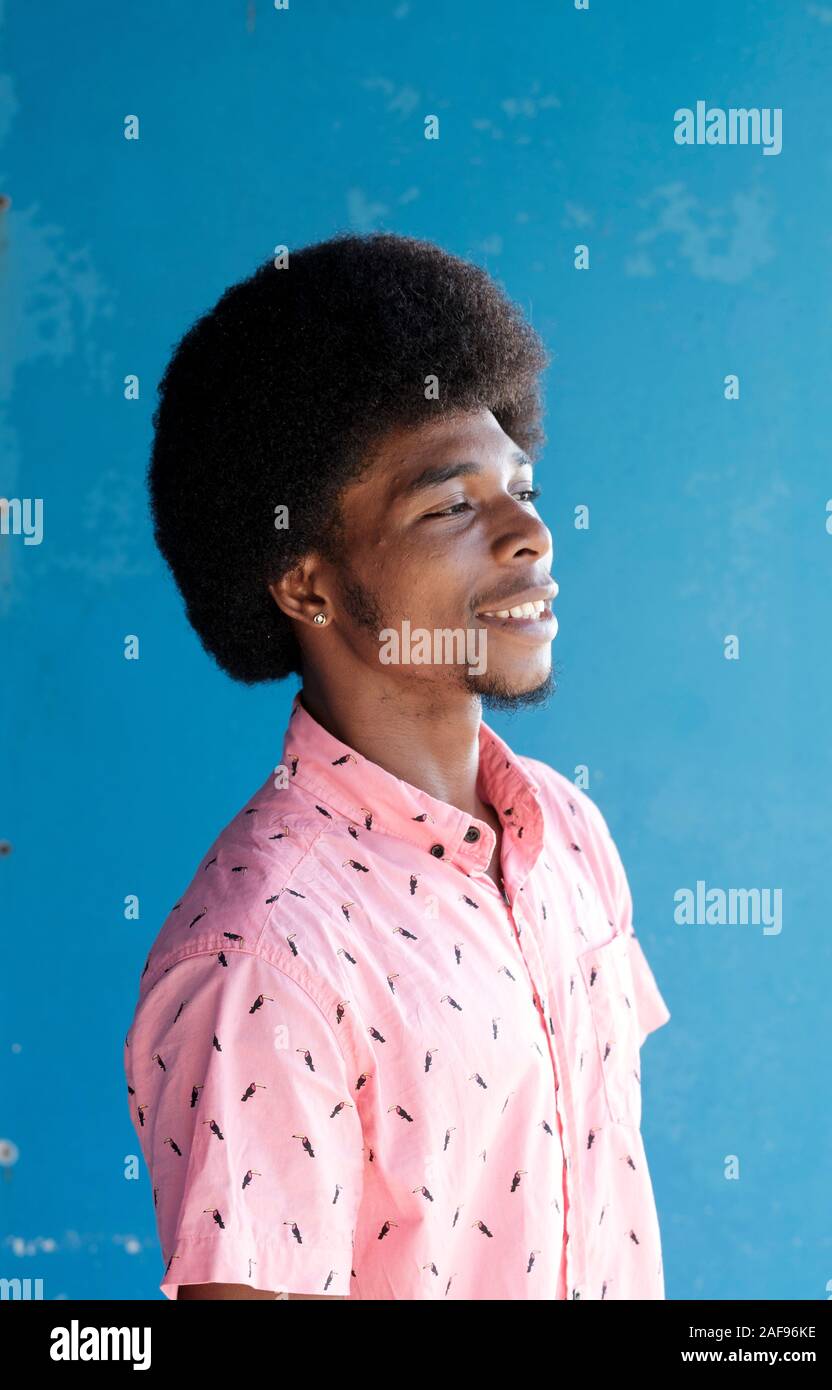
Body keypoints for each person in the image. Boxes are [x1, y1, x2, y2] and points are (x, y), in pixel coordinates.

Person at [123, 231, 671, 1301]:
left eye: (520, 485)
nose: (528, 534)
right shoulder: (263, 958)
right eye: (449, 505)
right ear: (305, 584)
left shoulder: (566, 836)